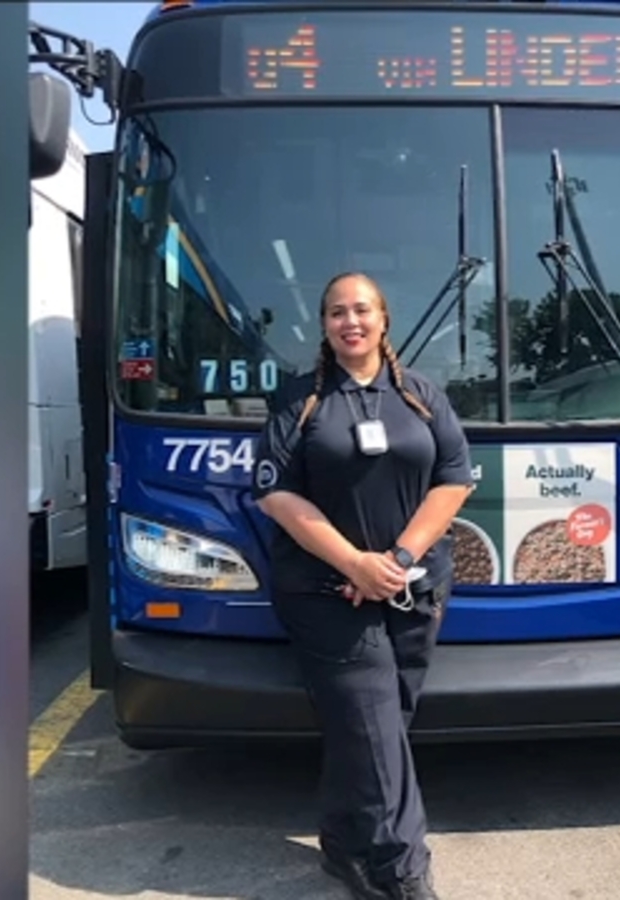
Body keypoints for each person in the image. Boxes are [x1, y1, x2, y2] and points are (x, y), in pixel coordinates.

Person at [251, 272, 475, 900]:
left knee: (375, 724)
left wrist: (397, 560)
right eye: (336, 312)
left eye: (362, 310)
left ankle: (343, 842)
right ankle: (400, 870)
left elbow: (454, 479)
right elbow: (276, 494)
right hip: (325, 592)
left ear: (383, 320)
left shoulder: (423, 396)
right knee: (373, 719)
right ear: (323, 326)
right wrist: (354, 563)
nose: (350, 321)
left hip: (414, 588)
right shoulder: (300, 403)